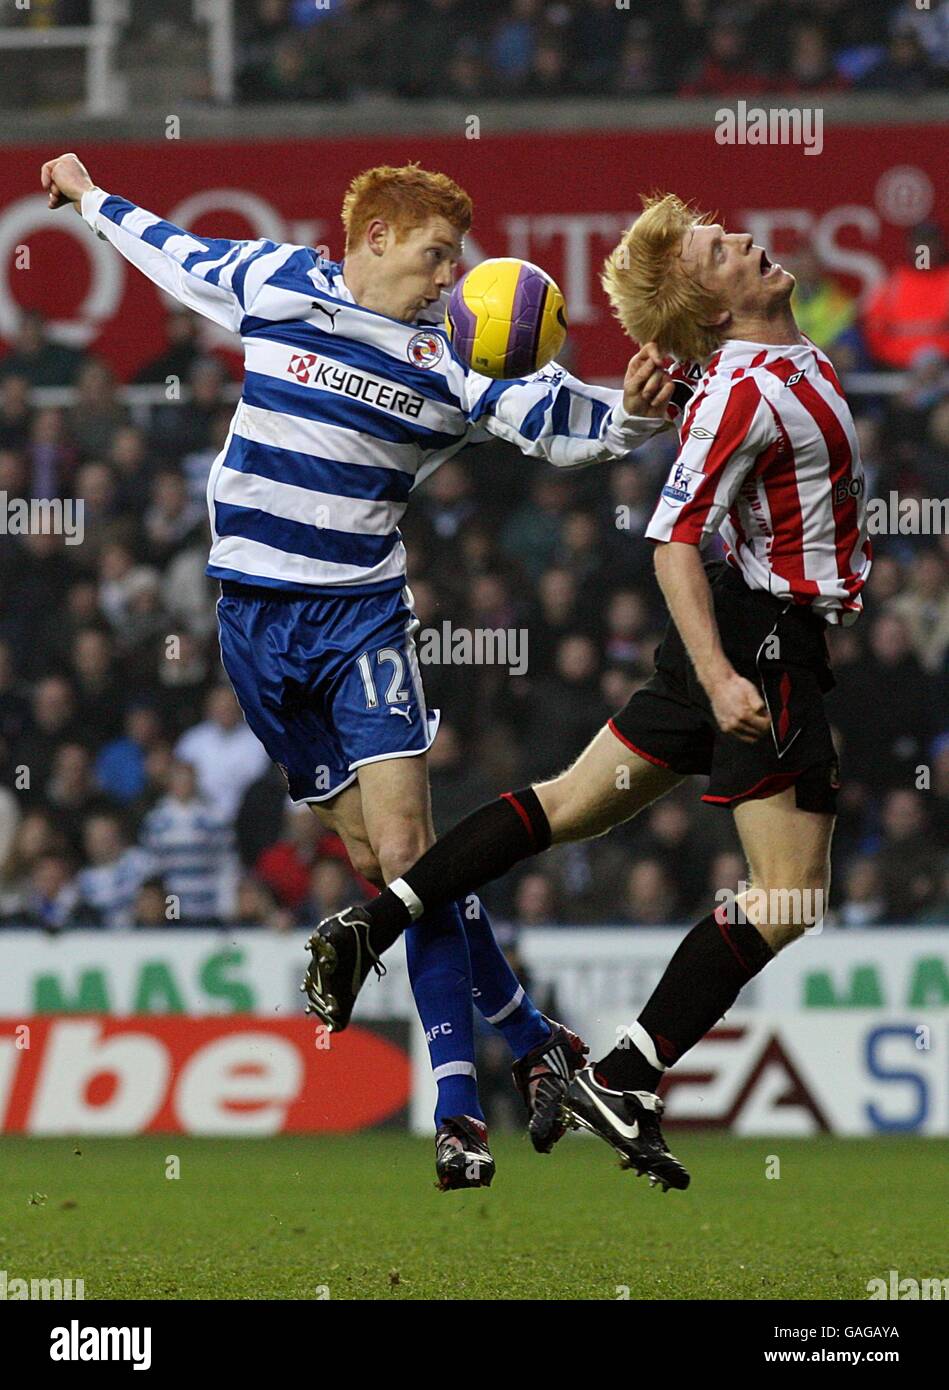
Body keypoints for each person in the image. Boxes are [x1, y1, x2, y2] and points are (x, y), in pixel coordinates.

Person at [42, 150, 670, 1190]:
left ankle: (457, 1111)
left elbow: (554, 423)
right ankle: (532, 1041)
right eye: (434, 257)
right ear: (373, 238)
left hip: (360, 624)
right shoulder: (278, 282)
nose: (446, 280)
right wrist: (89, 196)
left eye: (456, 263)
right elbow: (173, 254)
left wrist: (636, 413)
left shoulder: (453, 356)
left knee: (413, 848)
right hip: (251, 627)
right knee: (389, 876)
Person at [309, 192, 871, 1192]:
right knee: (787, 896)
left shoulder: (756, 366)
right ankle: (624, 1073)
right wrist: (719, 674)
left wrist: (653, 386)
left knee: (568, 805)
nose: (749, 241)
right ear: (711, 307)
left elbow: (700, 418)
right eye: (722, 249)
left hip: (751, 632)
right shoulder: (745, 387)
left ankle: (379, 917)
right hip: (760, 649)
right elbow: (670, 543)